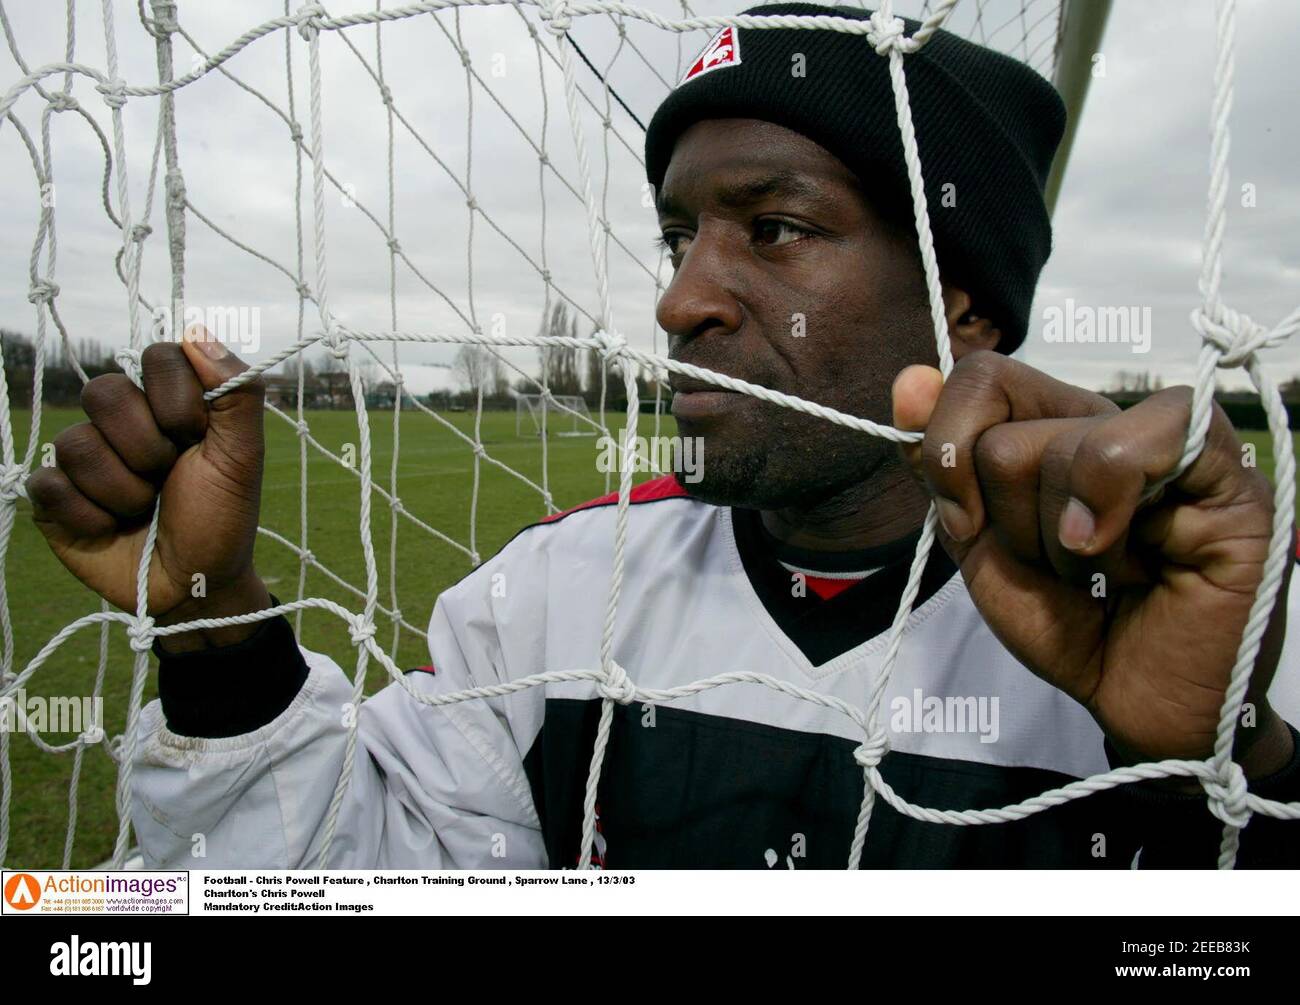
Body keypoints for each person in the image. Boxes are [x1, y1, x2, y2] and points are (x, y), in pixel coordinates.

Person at [27, 3, 1300, 868]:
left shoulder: (1202, 619)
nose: (679, 298)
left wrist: (1208, 767)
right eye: (677, 236)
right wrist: (211, 621)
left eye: (774, 227)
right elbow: (347, 882)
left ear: (963, 310)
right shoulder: (553, 594)